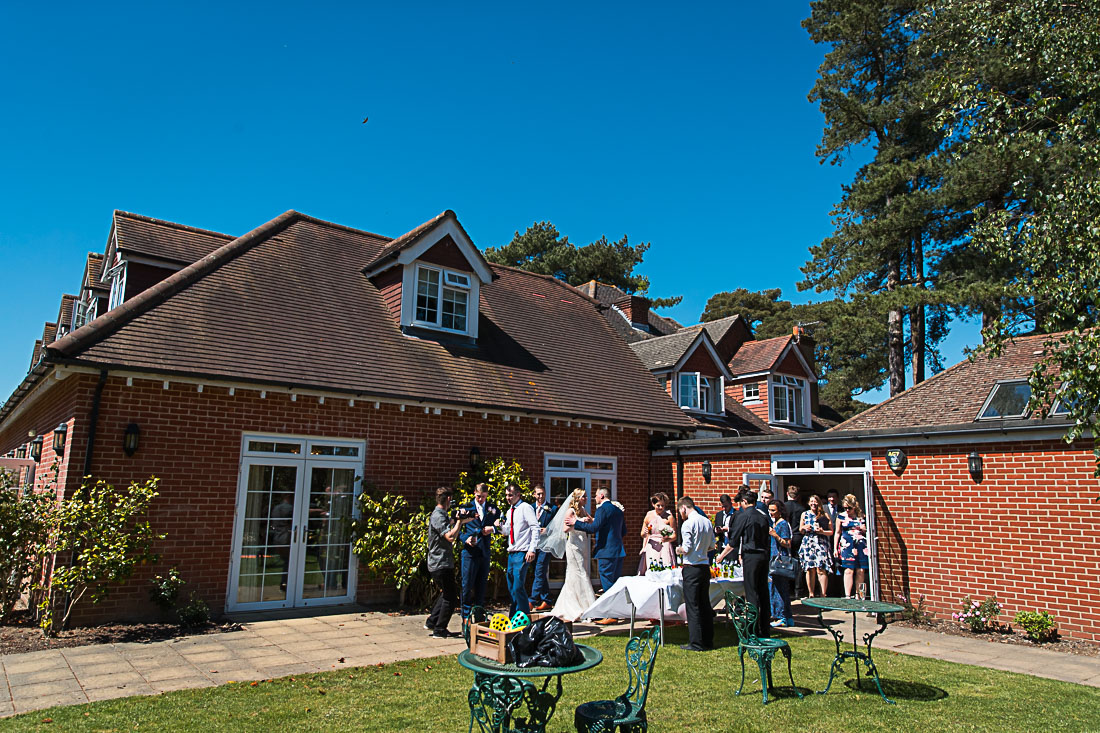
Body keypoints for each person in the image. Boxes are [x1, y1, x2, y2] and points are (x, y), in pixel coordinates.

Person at [538, 488, 597, 622]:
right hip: (574, 545)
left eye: (586, 496)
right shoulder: (570, 511)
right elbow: (565, 529)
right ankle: (584, 606)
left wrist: (589, 521)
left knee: (579, 573)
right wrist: (579, 523)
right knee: (579, 572)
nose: (586, 499)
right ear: (577, 498)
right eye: (584, 497)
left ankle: (579, 603)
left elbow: (591, 522)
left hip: (583, 544)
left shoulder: (582, 510)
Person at [719, 488, 771, 638]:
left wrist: (721, 557)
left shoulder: (744, 516)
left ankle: (753, 629)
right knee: (763, 592)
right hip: (763, 556)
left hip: (751, 556)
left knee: (752, 592)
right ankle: (765, 628)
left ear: (744, 502)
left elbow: (733, 541)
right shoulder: (763, 517)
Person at [426, 487, 474, 638]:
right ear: (447, 499)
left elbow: (451, 521)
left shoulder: (441, 514)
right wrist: (460, 522)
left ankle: (432, 621)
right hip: (440, 562)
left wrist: (468, 518)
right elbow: (450, 536)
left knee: (446, 593)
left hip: (440, 562)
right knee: (451, 597)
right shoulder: (438, 516)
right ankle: (440, 630)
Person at [675, 496, 715, 651]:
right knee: (705, 604)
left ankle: (696, 642)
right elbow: (712, 545)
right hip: (704, 567)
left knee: (693, 606)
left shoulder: (687, 524)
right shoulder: (706, 521)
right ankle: (708, 640)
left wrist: (677, 549)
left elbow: (686, 548)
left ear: (684, 508)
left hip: (691, 567)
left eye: (680, 511)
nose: (681, 514)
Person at [458, 483, 499, 618]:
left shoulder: (492, 508)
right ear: (474, 493)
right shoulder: (466, 508)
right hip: (470, 553)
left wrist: (493, 528)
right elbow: (456, 530)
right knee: (467, 586)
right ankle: (465, 617)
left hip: (484, 552)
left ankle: (480, 616)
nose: (480, 499)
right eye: (478, 496)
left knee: (481, 586)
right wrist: (466, 538)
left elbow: (503, 522)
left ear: (487, 495)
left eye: (483, 497)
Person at [500, 482, 539, 617]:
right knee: (511, 587)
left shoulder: (525, 508)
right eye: (506, 495)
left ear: (518, 494)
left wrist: (532, 549)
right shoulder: (509, 511)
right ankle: (514, 616)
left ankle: (523, 616)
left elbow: (535, 528)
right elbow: (506, 531)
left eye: (510, 495)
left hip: (522, 552)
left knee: (518, 586)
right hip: (511, 552)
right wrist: (499, 526)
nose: (508, 498)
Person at [834, 493, 870, 598]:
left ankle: (860, 595)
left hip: (861, 546)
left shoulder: (861, 516)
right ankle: (848, 595)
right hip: (847, 545)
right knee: (849, 570)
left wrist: (864, 529)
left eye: (849, 508)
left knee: (861, 570)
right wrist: (835, 548)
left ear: (854, 507)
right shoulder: (841, 517)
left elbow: (868, 531)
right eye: (845, 508)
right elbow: (837, 532)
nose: (847, 510)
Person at [798, 494, 834, 598]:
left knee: (821, 569)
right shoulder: (804, 514)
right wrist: (804, 527)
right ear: (809, 503)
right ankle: (811, 593)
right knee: (810, 569)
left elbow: (831, 531)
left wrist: (822, 532)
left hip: (821, 543)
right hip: (809, 543)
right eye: (812, 502)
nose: (814, 504)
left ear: (819, 503)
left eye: (816, 502)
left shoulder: (824, 515)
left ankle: (823, 594)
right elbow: (800, 530)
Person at [766, 499, 795, 627]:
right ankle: (787, 617)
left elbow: (787, 543)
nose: (771, 513)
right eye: (770, 510)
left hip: (779, 560)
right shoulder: (776, 523)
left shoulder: (782, 524)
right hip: (774, 558)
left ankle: (780, 616)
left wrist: (775, 535)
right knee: (780, 588)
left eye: (773, 510)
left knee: (777, 588)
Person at [530, 485, 555, 611]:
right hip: (533, 545)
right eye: (538, 494)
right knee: (538, 571)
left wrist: (548, 530)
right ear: (534, 494)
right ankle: (546, 600)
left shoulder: (552, 509)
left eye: (543, 494)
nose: (540, 497)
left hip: (546, 545)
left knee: (540, 571)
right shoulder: (530, 508)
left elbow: (557, 527)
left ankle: (532, 600)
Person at [639, 492, 678, 573]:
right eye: (658, 505)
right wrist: (645, 533)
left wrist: (667, 539)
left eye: (662, 505)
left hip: (664, 545)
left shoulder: (669, 517)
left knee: (665, 568)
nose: (660, 508)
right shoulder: (649, 515)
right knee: (652, 567)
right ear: (653, 504)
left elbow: (674, 535)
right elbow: (643, 534)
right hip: (652, 545)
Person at [783, 485, 807, 598]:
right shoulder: (802, 508)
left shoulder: (783, 507)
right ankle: (798, 589)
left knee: (785, 562)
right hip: (798, 536)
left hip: (786, 536)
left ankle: (787, 588)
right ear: (797, 496)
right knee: (797, 563)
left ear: (787, 494)